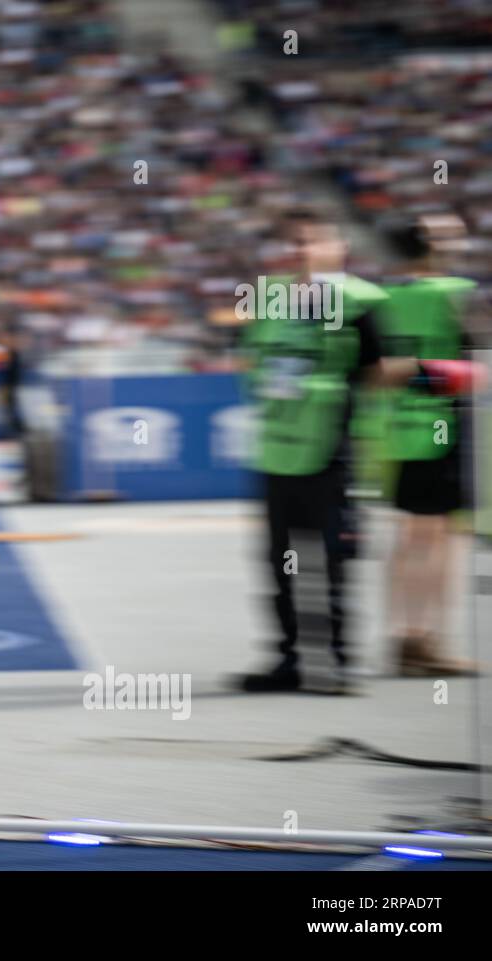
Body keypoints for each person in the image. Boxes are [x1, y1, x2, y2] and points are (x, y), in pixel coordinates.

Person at [238, 208, 482, 693]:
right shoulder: (267, 298)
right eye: (292, 242)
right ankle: (288, 659)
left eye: (312, 241)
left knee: (331, 558)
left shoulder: (359, 299)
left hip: (332, 447)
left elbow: (379, 369)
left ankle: (337, 662)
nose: (301, 251)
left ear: (337, 248)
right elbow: (253, 361)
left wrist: (441, 375)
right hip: (276, 448)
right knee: (277, 561)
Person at [379, 214, 479, 676]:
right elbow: (477, 361)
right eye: (449, 237)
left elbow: (388, 369)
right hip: (443, 426)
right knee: (439, 539)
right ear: (431, 246)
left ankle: (405, 636)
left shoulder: (387, 296)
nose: (457, 244)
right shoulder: (453, 292)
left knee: (414, 537)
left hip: (403, 428)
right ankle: (425, 642)